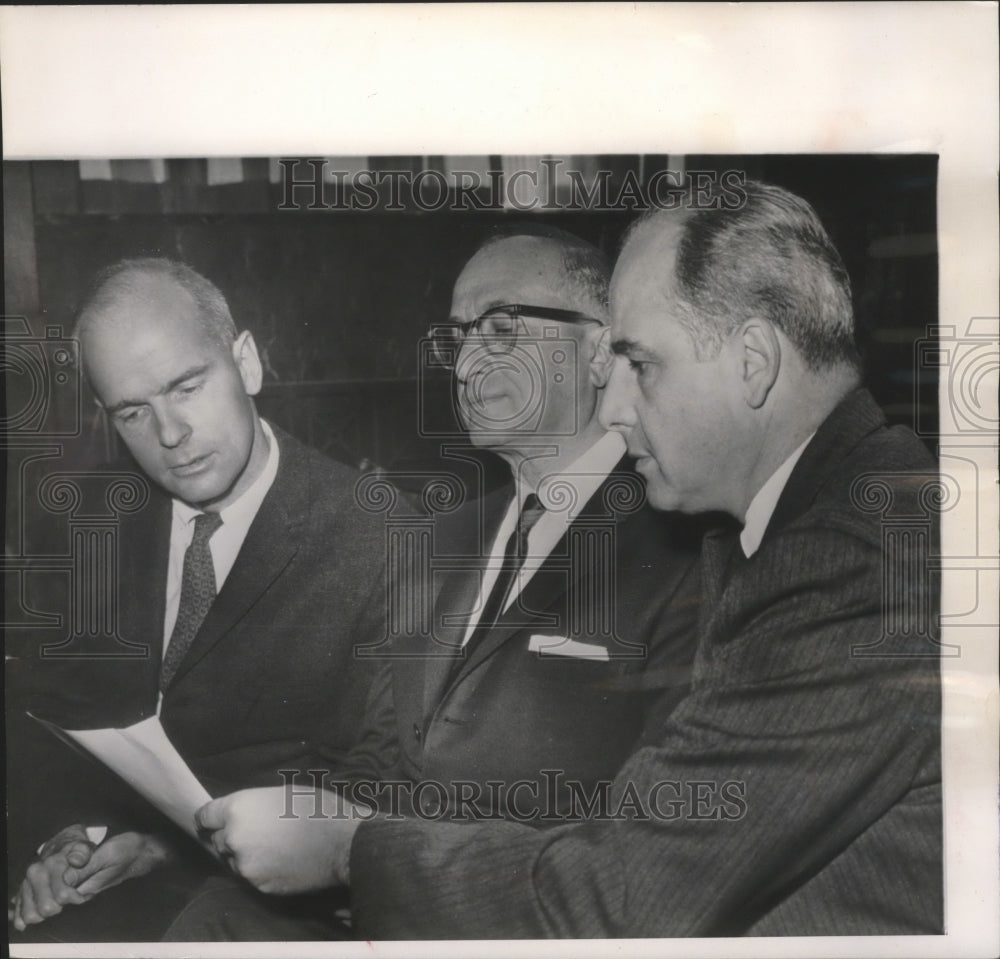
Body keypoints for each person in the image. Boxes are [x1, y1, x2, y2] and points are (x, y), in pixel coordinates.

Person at [196, 185, 942, 938]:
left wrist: (351, 852)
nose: (615, 408)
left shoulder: (850, 559)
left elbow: (626, 889)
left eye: (640, 362)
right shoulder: (832, 515)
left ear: (753, 361)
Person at [168, 226, 703, 938]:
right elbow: (384, 757)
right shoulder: (439, 539)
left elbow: (650, 850)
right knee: (207, 919)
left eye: (503, 327)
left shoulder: (679, 547)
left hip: (539, 925)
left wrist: (352, 853)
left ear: (601, 348)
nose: (467, 362)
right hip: (386, 904)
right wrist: (208, 829)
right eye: (458, 337)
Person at [8, 258, 389, 940]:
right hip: (113, 899)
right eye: (133, 412)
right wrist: (69, 839)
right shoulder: (93, 523)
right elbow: (46, 717)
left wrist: (163, 847)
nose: (170, 435)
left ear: (246, 362)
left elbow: (376, 795)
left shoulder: (381, 534)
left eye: (186, 386)